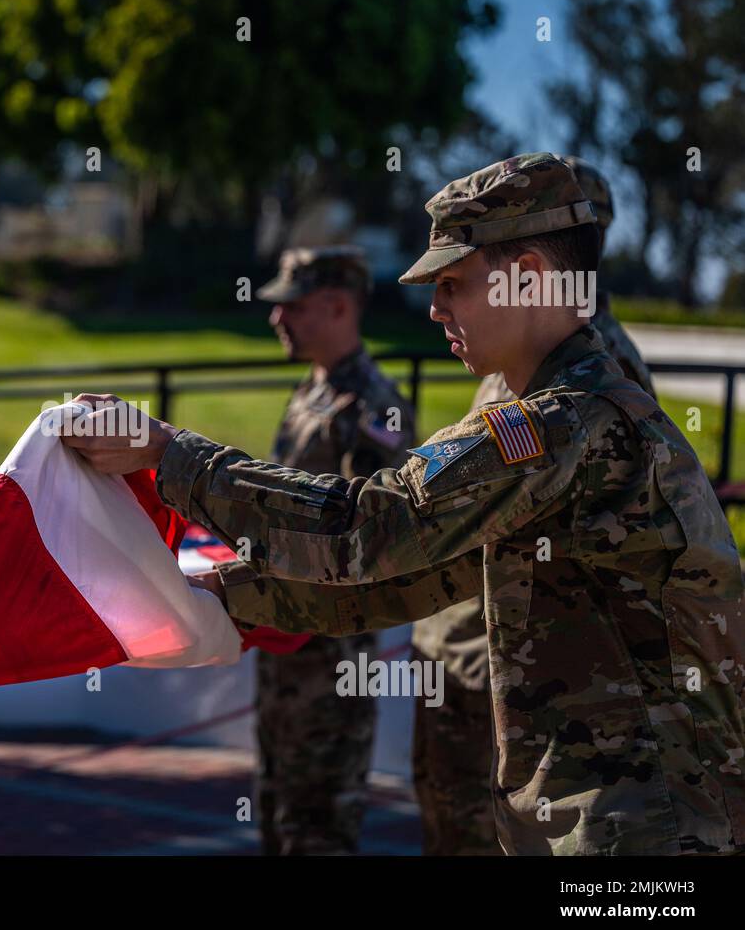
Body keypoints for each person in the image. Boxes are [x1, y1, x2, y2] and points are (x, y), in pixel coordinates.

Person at [62, 153, 745, 855]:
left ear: (532, 278)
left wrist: (170, 455)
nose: (434, 307)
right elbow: (409, 577)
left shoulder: (568, 423)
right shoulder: (564, 414)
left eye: (452, 283)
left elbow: (369, 527)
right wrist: (218, 596)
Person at [408, 155, 659, 854]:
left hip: (507, 672)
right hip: (461, 642)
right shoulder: (527, 346)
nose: (440, 307)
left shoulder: (589, 371)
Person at [251, 245, 415, 854]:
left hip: (333, 655)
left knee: (317, 824)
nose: (276, 319)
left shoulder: (378, 406)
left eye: (291, 306)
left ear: (338, 306)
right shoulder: (310, 392)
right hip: (285, 645)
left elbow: (376, 534)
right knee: (277, 807)